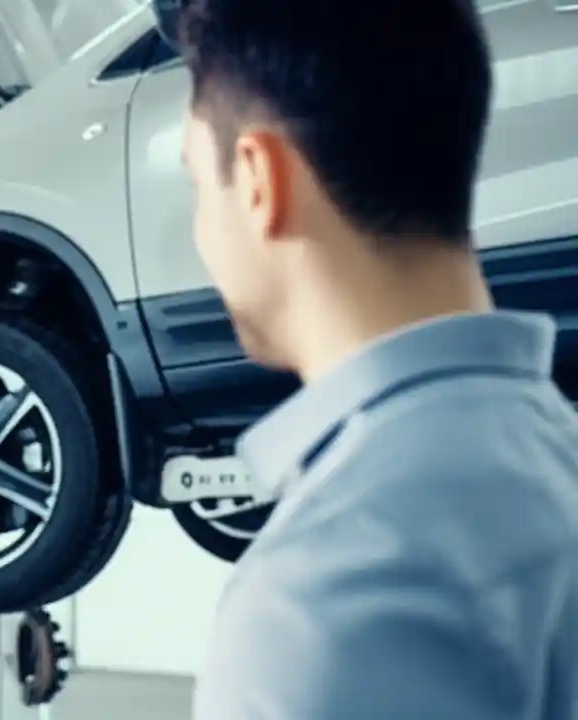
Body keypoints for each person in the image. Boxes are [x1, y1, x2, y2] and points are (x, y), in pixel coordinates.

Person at [172, 0, 578, 718]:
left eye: (200, 187)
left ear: (260, 180)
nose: (201, 234)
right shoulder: (556, 470)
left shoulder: (326, 594)